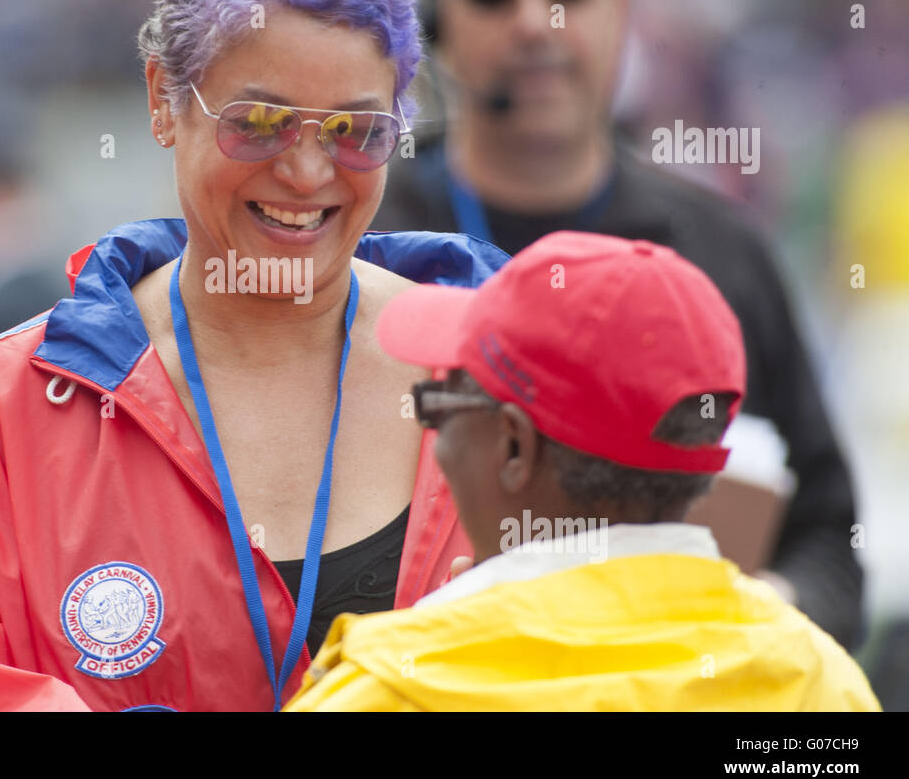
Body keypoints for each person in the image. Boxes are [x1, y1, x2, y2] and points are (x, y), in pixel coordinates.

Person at [0, 0, 507, 712]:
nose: (306, 172)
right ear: (162, 99)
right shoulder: (10, 406)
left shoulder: (507, 378)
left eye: (355, 131)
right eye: (258, 121)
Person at [373, 0, 864, 649]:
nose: (537, 21)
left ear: (624, 6)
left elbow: (830, 540)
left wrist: (757, 619)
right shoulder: (370, 245)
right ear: (432, 30)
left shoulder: (722, 252)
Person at [284, 231, 880, 711]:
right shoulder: (819, 682)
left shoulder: (385, 692)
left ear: (514, 449)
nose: (433, 440)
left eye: (443, 399)